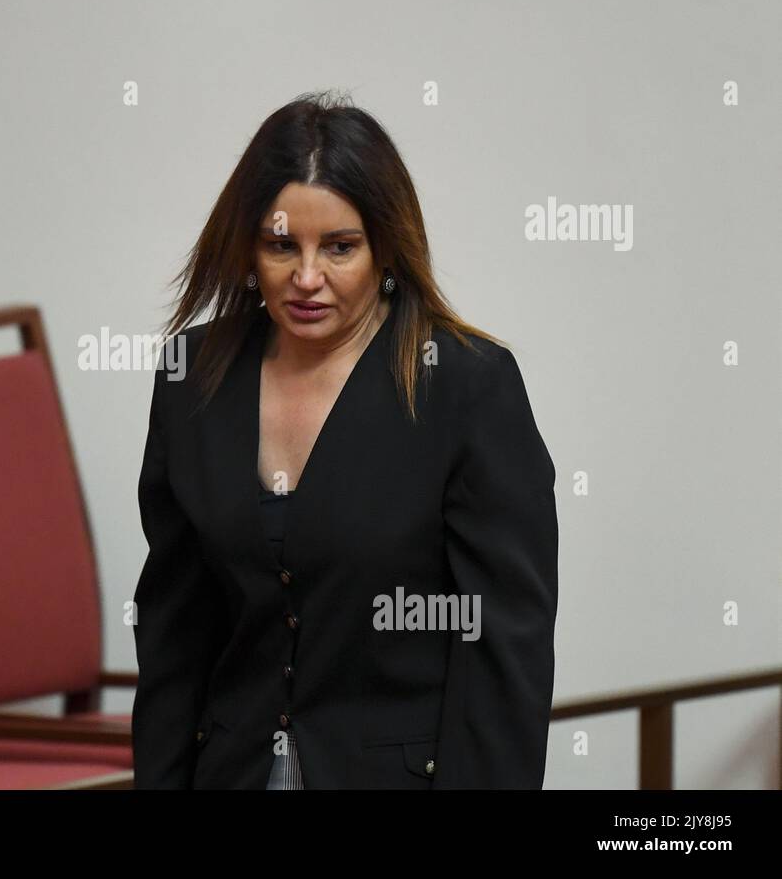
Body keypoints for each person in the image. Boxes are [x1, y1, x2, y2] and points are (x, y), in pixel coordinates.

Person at [131, 91, 558, 789]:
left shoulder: (465, 387)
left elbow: (503, 647)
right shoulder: (192, 376)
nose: (306, 278)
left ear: (384, 246)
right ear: (246, 247)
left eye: (339, 247)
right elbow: (176, 627)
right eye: (279, 245)